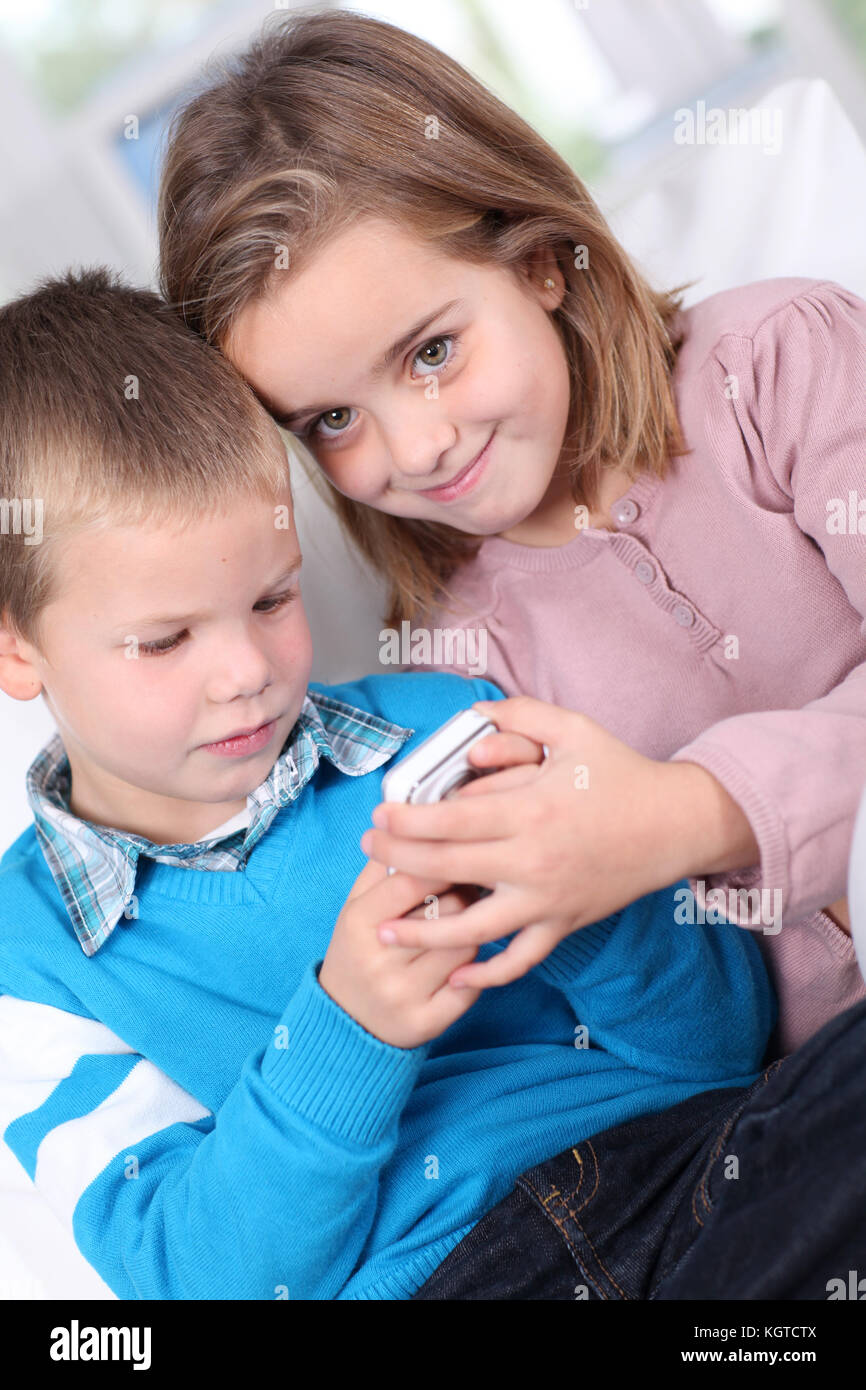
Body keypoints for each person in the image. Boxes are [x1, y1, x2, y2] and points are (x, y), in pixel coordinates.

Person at [153, 9, 866, 1296]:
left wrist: (688, 811)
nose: (414, 448)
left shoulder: (778, 366)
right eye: (331, 420)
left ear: (538, 259)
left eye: (431, 351)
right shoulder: (459, 663)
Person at [0, 267, 772, 1301]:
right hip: (451, 1279)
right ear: (18, 650)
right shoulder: (30, 964)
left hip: (690, 1174)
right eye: (165, 638)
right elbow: (202, 1280)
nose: (245, 672)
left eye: (272, 597)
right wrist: (349, 1029)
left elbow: (721, 1043)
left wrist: (568, 895)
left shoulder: (445, 722)